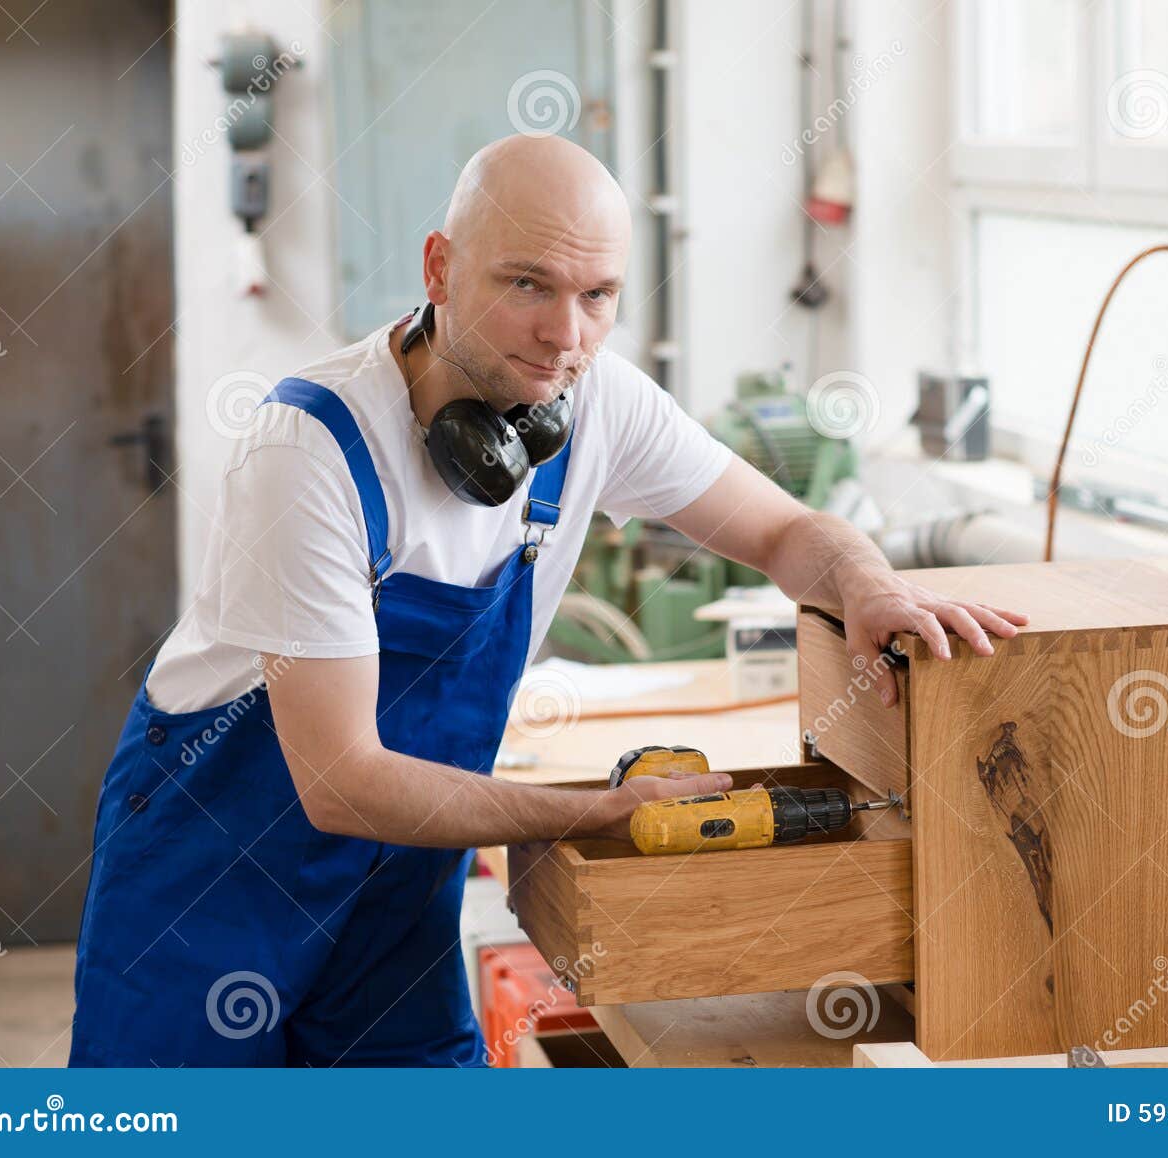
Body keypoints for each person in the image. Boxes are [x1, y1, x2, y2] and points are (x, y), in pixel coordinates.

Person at [69, 134, 1027, 1067]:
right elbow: (342, 781)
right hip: (213, 876)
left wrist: (866, 583)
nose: (565, 337)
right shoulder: (308, 449)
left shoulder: (599, 403)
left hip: (397, 890)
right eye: (526, 284)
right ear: (439, 269)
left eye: (597, 295)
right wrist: (594, 815)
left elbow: (782, 531)